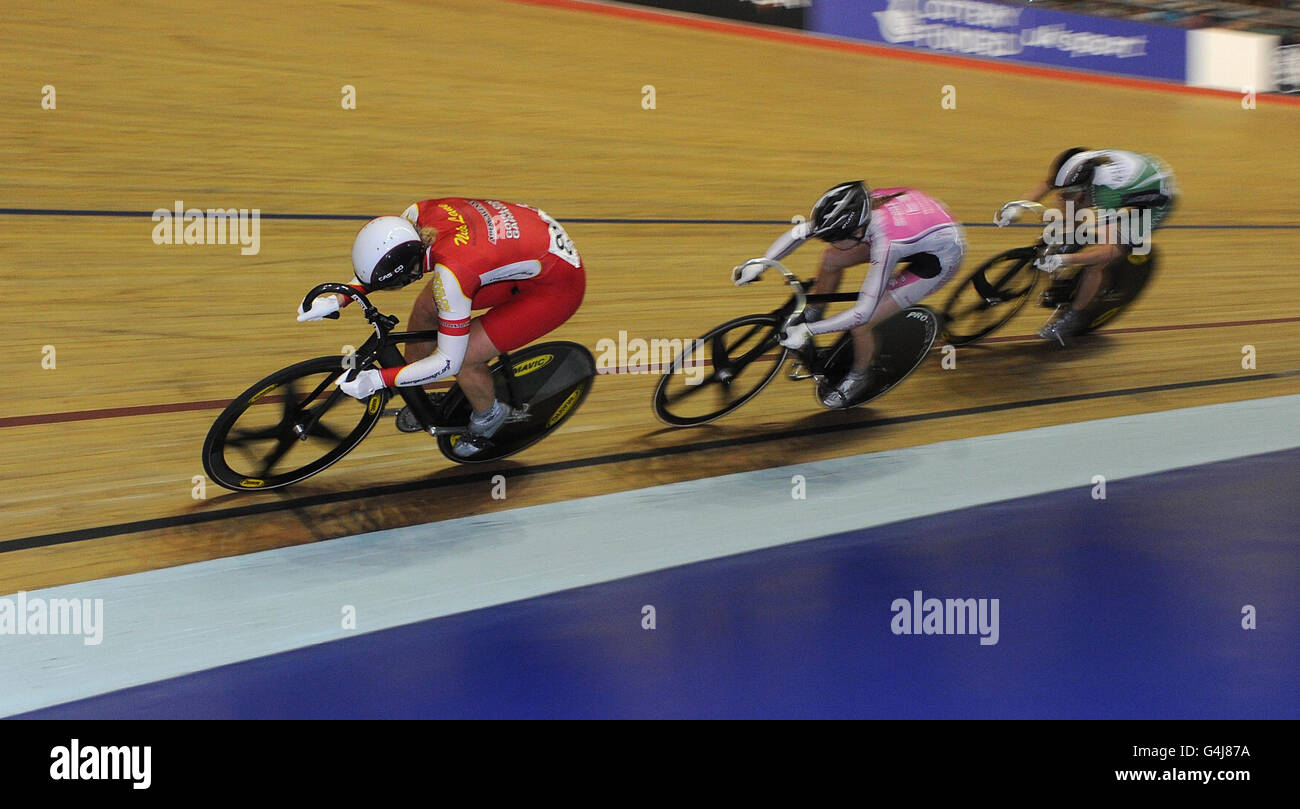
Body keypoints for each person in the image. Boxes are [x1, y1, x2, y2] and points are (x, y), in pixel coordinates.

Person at [298, 199, 585, 458]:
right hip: (521, 243)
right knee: (427, 308)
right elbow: (385, 266)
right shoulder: (415, 217)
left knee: (466, 357)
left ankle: (490, 417)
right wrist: (339, 298)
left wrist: (379, 380)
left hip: (555, 288)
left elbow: (448, 362)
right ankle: (415, 385)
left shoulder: (453, 275)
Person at [733, 181, 966, 408]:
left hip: (938, 258)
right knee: (831, 258)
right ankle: (814, 311)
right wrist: (761, 263)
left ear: (857, 231)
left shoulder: (887, 244)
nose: (829, 241)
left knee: (863, 324)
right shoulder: (853, 212)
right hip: (917, 226)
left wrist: (808, 331)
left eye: (835, 238)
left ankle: (859, 376)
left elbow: (862, 313)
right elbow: (799, 233)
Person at [995, 148, 1176, 341]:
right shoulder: (1076, 162)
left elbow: (1109, 251)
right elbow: (1048, 184)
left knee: (1096, 262)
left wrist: (1065, 259)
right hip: (1136, 177)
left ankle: (1075, 315)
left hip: (1154, 203)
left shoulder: (1107, 194)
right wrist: (1016, 207)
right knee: (1067, 198)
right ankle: (1074, 237)